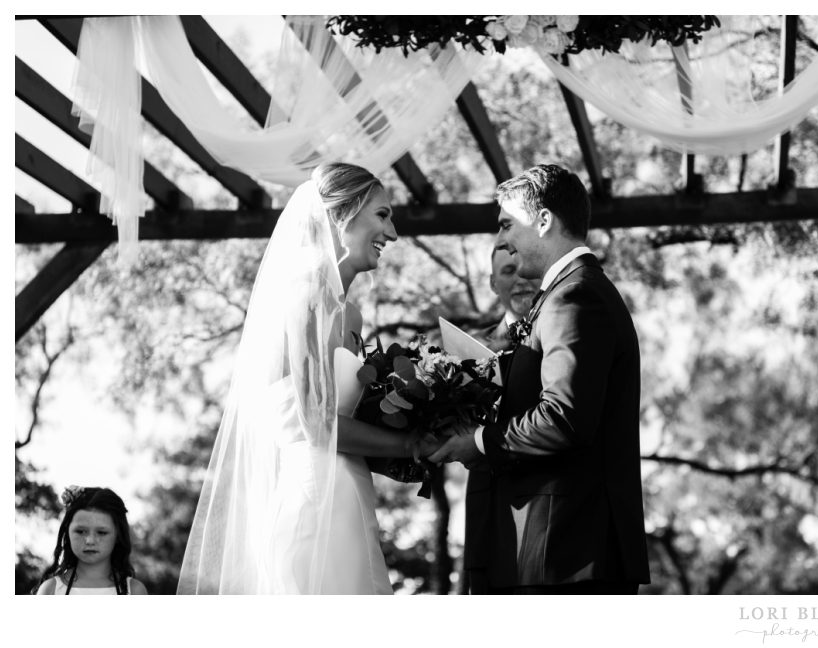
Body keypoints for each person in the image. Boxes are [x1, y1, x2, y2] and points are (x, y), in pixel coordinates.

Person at [177, 162, 439, 594]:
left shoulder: (350, 312)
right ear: (342, 216)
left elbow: (343, 414)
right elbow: (318, 424)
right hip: (315, 498)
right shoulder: (308, 292)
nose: (392, 234)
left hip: (350, 491)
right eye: (383, 215)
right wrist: (410, 444)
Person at [430, 164, 651, 594]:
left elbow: (564, 417)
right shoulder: (566, 294)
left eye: (508, 224)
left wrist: (479, 442)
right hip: (558, 552)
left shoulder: (576, 296)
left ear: (545, 221)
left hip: (568, 554)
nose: (504, 240)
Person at [34, 486, 148, 595]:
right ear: (67, 532)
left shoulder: (134, 590)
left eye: (102, 533)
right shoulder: (51, 590)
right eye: (80, 531)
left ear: (118, 535)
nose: (90, 541)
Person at [478, 245, 541, 353]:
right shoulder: (474, 348)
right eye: (509, 271)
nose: (521, 280)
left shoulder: (572, 336)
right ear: (493, 284)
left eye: (528, 267)